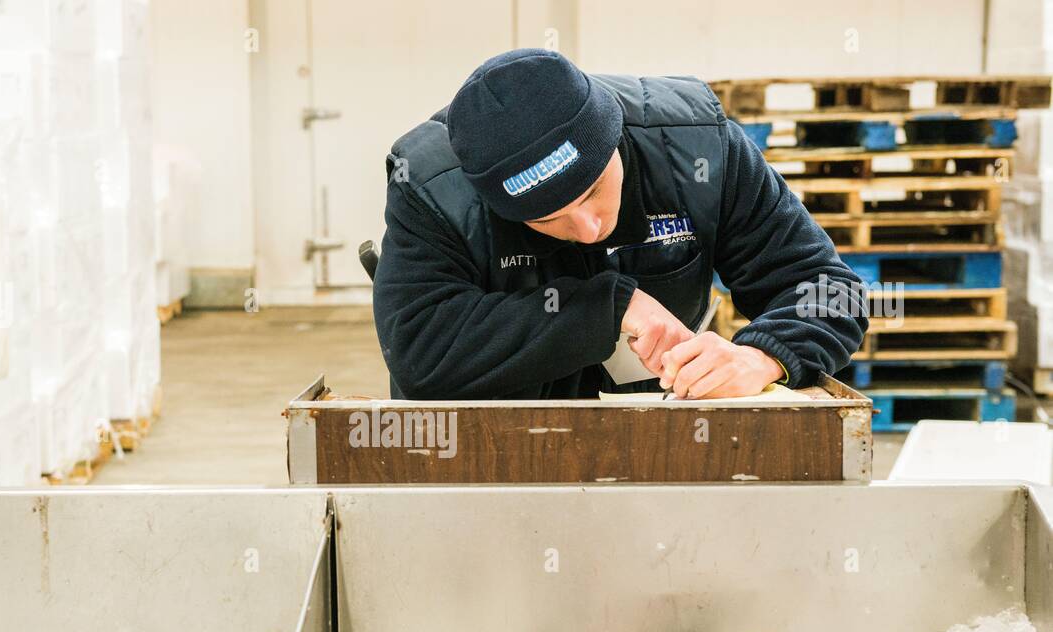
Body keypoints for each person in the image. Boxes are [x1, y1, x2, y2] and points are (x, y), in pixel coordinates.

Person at [372, 48, 868, 400]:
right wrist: (607, 308)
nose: (589, 228)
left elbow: (829, 289)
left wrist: (765, 355)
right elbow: (421, 352)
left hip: (659, 434)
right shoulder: (434, 186)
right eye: (548, 218)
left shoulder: (698, 147)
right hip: (498, 446)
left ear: (613, 137)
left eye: (593, 191)